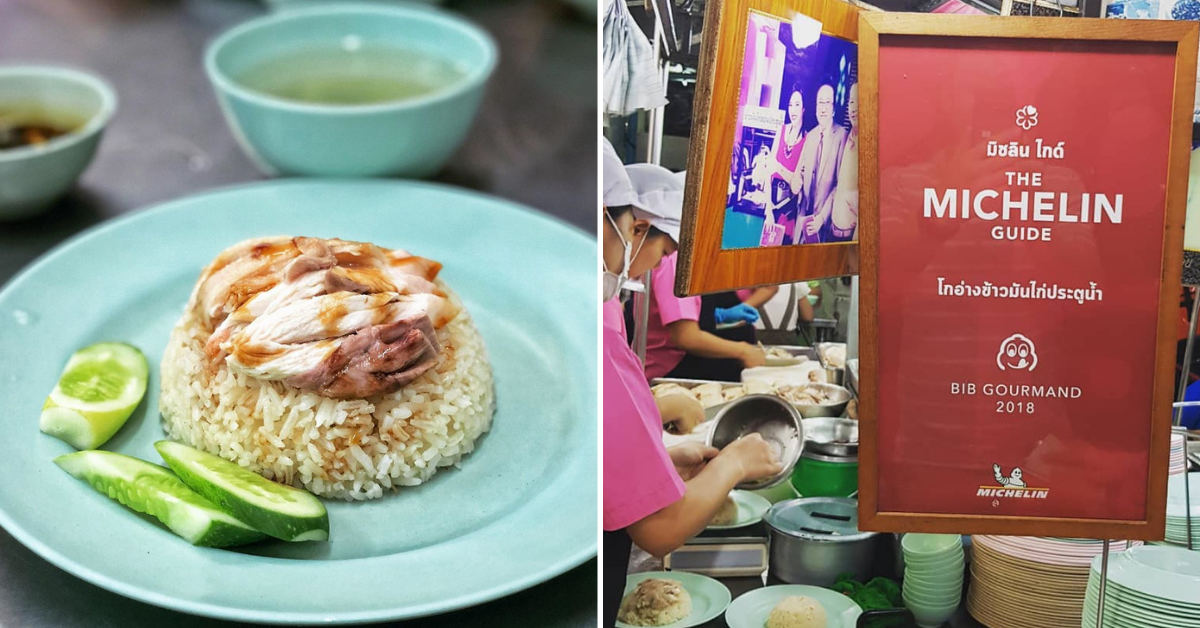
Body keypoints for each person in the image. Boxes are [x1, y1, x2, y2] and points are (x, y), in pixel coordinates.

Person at [603, 141, 783, 628]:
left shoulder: (601, 311)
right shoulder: (598, 328)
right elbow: (660, 530)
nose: (663, 261)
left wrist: (660, 449)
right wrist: (736, 462)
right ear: (632, 227)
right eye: (665, 249)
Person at [626, 165, 767, 381]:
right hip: (666, 370)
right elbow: (685, 336)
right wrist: (743, 351)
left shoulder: (678, 255)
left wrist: (718, 316)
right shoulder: (674, 261)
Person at [796, 84, 847, 244]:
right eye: (820, 102)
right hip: (803, 221)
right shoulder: (810, 137)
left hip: (824, 226)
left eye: (827, 103)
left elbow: (841, 185)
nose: (823, 108)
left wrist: (822, 218)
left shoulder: (842, 136)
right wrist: (797, 179)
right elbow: (801, 172)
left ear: (833, 108)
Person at [764, 87, 807, 245]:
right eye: (790, 105)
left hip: (788, 213)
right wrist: (768, 210)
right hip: (771, 210)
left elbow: (796, 186)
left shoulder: (806, 140)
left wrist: (779, 167)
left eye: (797, 104)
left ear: (803, 109)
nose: (793, 109)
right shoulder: (780, 130)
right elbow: (769, 173)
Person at [828, 83, 858, 242]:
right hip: (831, 233)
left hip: (849, 238)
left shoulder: (869, 146)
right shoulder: (848, 137)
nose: (853, 107)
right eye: (851, 101)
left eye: (859, 101)